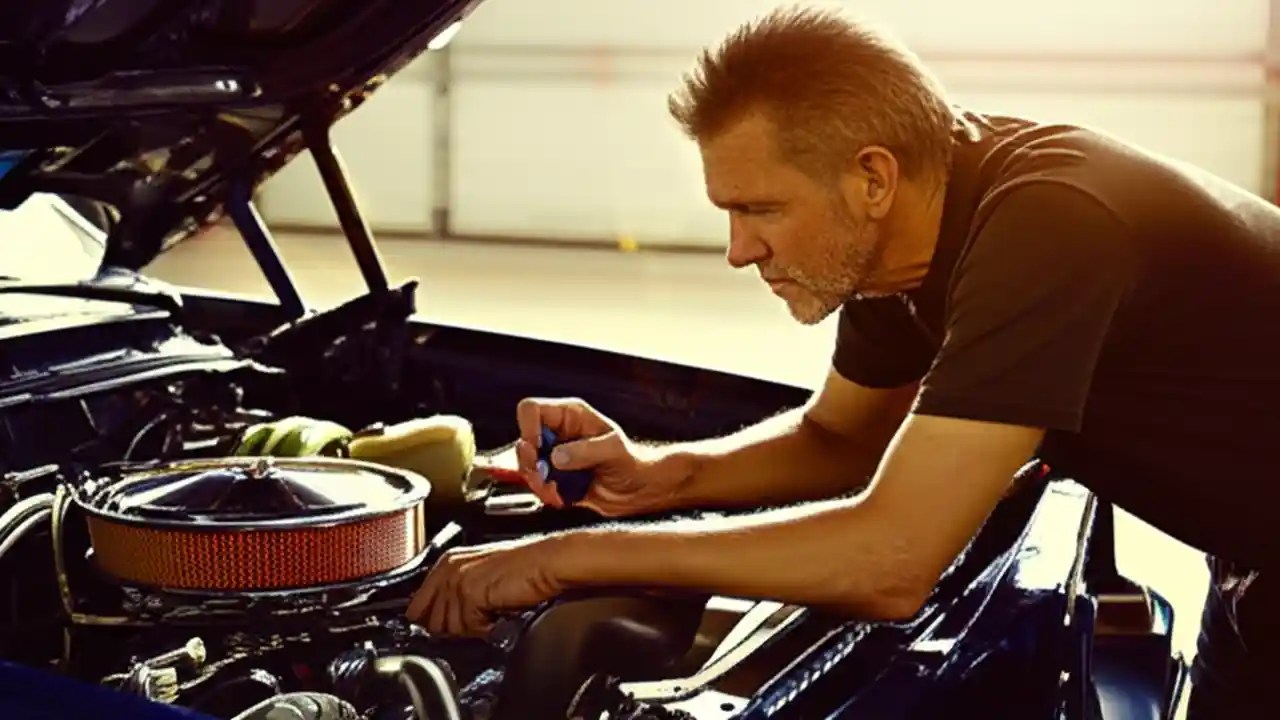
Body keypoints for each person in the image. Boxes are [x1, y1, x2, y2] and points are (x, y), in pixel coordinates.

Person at [405, 6, 1280, 717]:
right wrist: (660, 478)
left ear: (872, 178)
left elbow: (889, 561)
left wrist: (574, 557)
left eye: (761, 209)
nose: (739, 250)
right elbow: (840, 439)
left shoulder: (1052, 224)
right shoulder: (908, 245)